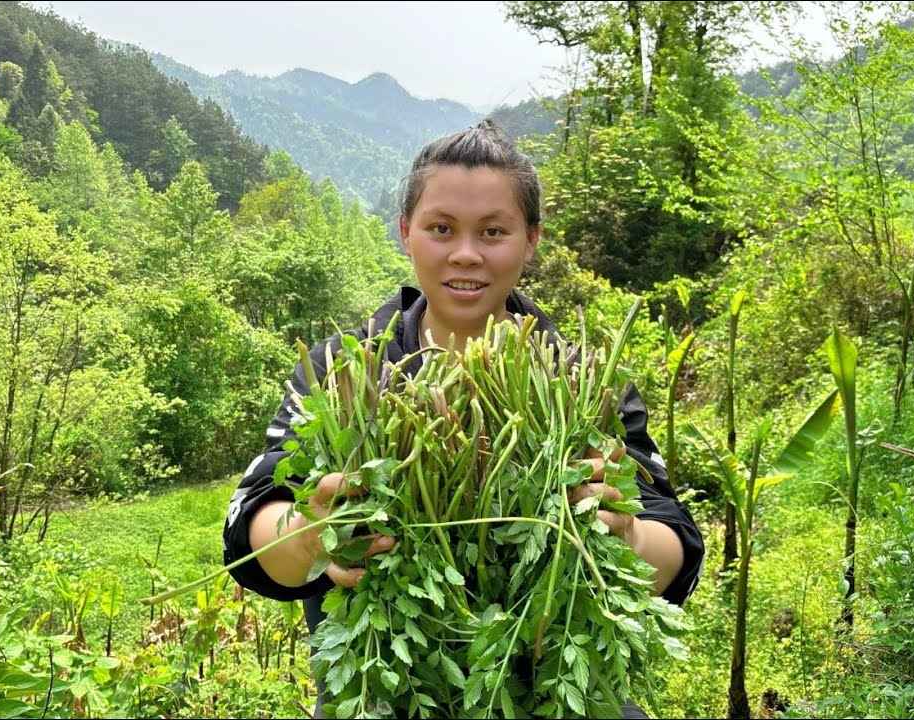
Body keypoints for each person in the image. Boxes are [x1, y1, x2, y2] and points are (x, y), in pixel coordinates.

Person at [222, 119, 705, 718]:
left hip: (557, 700)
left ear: (530, 240)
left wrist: (622, 532)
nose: (467, 253)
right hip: (381, 701)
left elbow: (677, 544)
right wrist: (310, 528)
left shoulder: (583, 381)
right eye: (441, 228)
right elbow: (251, 519)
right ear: (406, 233)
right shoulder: (341, 372)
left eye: (494, 231)